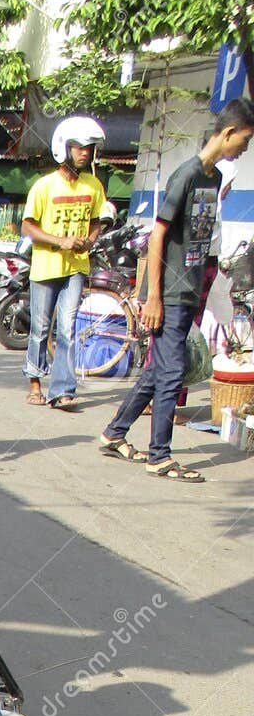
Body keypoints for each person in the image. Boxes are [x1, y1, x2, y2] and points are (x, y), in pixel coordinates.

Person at [101, 98, 254, 480]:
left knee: (160, 370)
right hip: (167, 291)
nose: (245, 149)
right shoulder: (185, 175)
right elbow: (158, 234)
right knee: (170, 374)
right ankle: (160, 455)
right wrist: (151, 295)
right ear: (229, 133)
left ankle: (114, 432)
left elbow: (198, 237)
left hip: (189, 290)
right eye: (245, 141)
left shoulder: (214, 179)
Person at [21, 116, 107, 410]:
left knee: (67, 329)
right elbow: (27, 227)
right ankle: (35, 381)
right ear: (64, 148)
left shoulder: (94, 186)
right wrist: (60, 241)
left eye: (89, 148)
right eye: (79, 147)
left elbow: (96, 221)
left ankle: (62, 389)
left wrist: (90, 240)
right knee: (40, 328)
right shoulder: (44, 187)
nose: (85, 153)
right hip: (45, 268)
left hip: (76, 268)